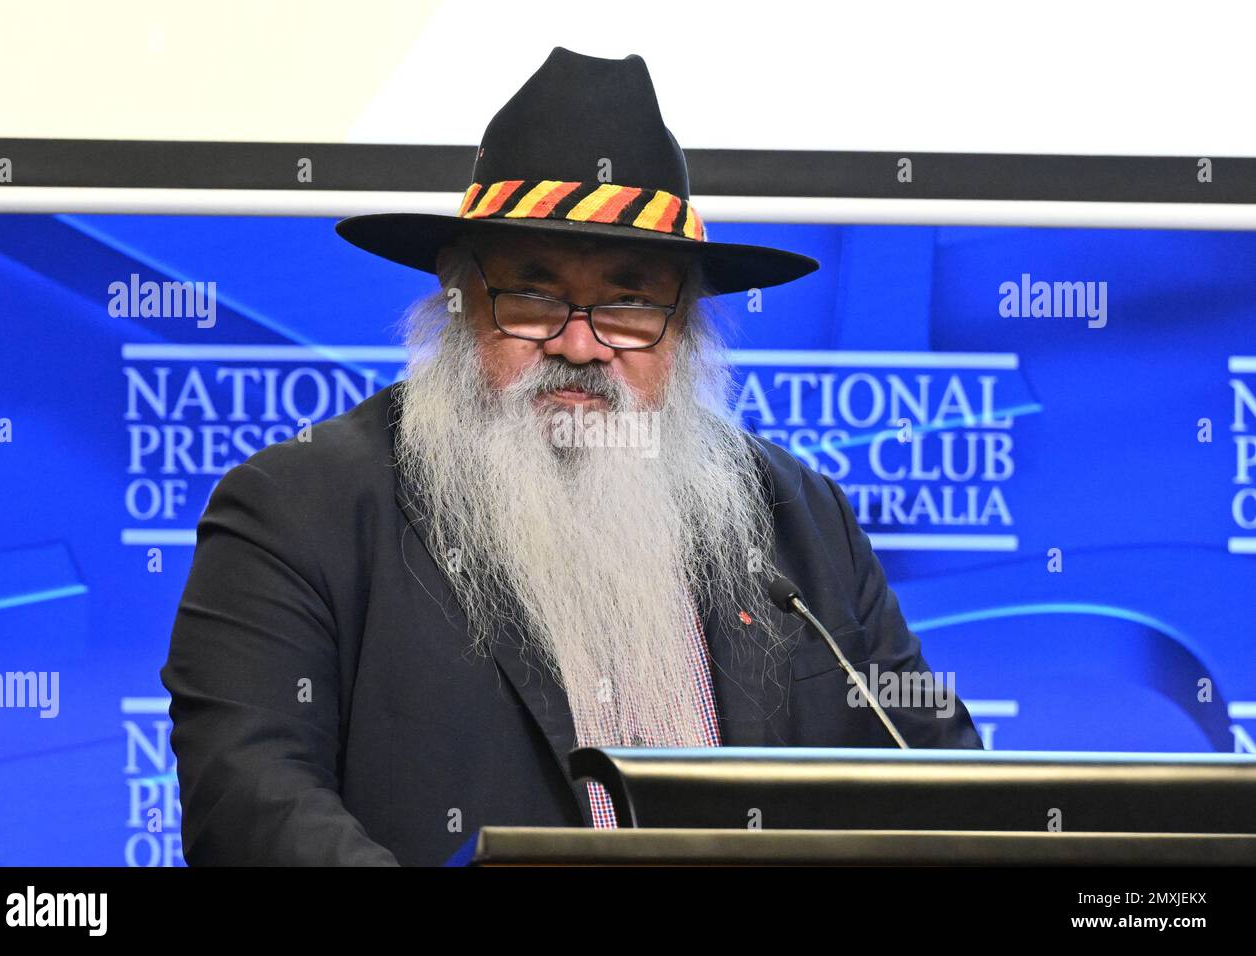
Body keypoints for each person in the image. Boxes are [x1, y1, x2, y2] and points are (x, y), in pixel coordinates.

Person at [161, 46, 981, 867]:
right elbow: (249, 804)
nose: (580, 344)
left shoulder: (801, 524)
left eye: (628, 300)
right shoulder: (301, 510)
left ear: (686, 329)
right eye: (533, 293)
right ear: (458, 302)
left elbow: (944, 790)